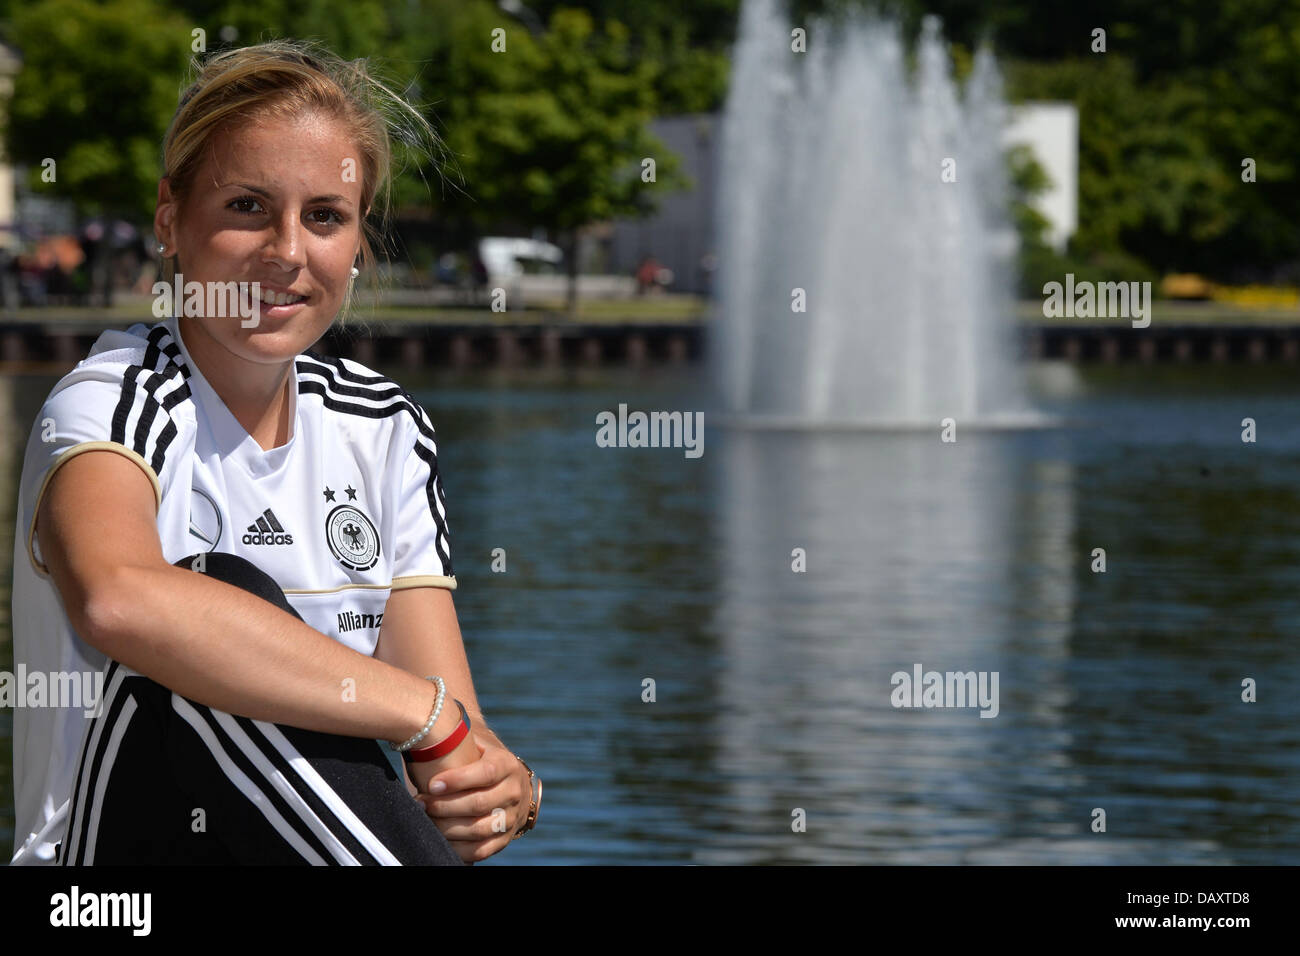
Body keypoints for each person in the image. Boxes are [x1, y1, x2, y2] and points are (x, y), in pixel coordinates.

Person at [8, 40, 539, 865]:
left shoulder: (384, 427)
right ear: (170, 220)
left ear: (357, 244)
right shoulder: (114, 400)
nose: (288, 251)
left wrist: (499, 793)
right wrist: (423, 715)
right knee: (213, 604)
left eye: (324, 217)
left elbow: (452, 751)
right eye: (248, 207)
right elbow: (117, 600)